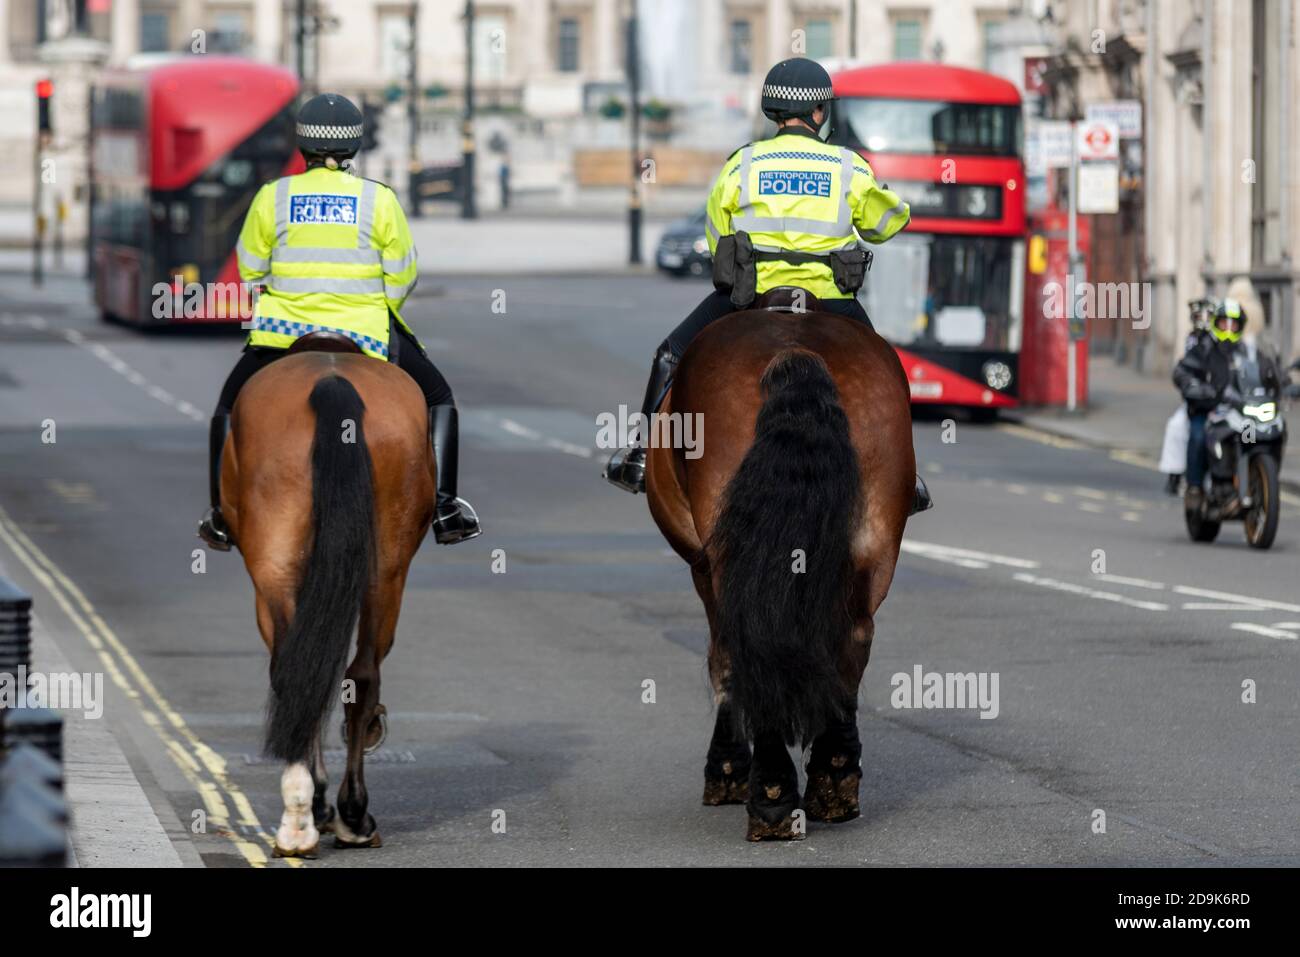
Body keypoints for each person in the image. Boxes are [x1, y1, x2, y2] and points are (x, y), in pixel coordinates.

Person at [604, 57, 918, 503]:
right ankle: (906, 476)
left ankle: (638, 454)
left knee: (670, 354)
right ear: (819, 113)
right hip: (829, 299)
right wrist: (898, 209)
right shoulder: (848, 167)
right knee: (886, 369)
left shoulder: (742, 164)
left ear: (774, 112)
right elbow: (884, 223)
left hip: (749, 297)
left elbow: (718, 233)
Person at [197, 93, 480, 550]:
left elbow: (250, 268)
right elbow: (403, 274)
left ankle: (219, 516)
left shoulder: (274, 196)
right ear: (354, 146)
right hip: (365, 332)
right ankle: (446, 507)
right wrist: (370, 308)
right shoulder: (378, 199)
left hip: (281, 333)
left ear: (302, 144)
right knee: (440, 397)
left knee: (227, 408)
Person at [1173, 298, 1248, 517]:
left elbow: (1264, 372)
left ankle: (1255, 477)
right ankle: (1195, 487)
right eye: (1224, 323)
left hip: (1238, 412)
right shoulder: (1203, 347)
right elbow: (1182, 372)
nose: (1228, 329)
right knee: (1199, 437)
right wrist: (1194, 386)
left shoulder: (1246, 351)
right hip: (1206, 409)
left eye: (1233, 324)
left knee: (1253, 437)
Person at [1159, 298, 1215, 495]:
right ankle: (1183, 479)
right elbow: (1183, 369)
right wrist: (1191, 386)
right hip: (1200, 401)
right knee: (1179, 428)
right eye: (1197, 316)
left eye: (1202, 315)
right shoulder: (1193, 339)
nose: (1200, 319)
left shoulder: (1223, 340)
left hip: (1224, 401)